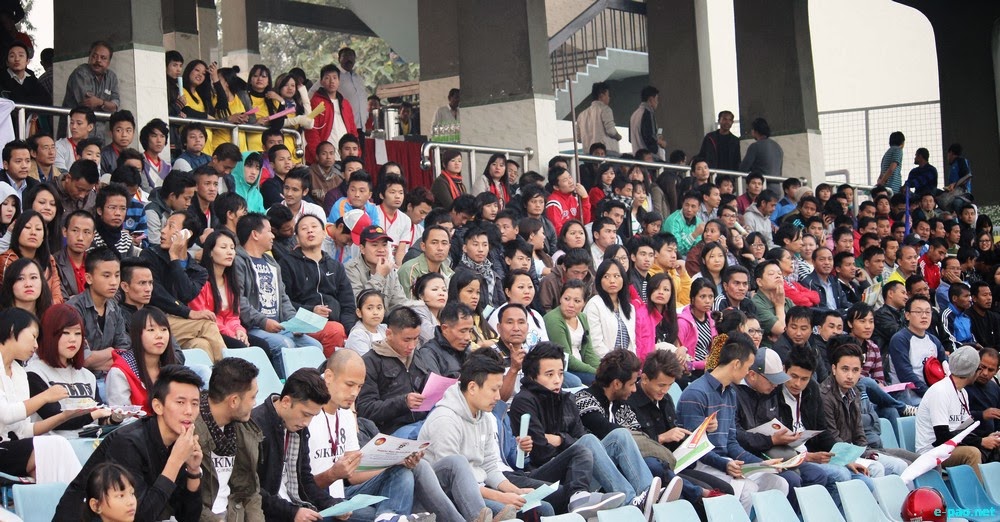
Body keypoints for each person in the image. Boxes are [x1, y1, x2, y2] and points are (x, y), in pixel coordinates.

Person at [510, 343, 664, 515]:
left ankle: (648, 494)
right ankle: (630, 502)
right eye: (549, 374)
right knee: (588, 442)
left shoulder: (566, 399)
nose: (557, 380)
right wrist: (567, 441)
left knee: (619, 435)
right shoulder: (524, 401)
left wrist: (560, 439)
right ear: (533, 376)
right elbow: (541, 452)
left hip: (578, 471)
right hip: (545, 474)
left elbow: (580, 437)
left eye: (560, 374)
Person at [54, 365, 204, 522]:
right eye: (180, 402)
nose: (189, 411)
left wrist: (193, 471)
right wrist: (175, 461)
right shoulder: (128, 442)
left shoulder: (179, 443)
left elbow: (188, 517)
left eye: (195, 404)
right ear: (158, 406)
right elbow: (137, 517)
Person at [312, 350, 444, 522]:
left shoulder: (344, 412)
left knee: (401, 471)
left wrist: (397, 460)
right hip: (316, 501)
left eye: (359, 387)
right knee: (373, 515)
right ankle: (391, 517)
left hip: (341, 497)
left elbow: (353, 475)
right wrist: (332, 474)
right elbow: (298, 484)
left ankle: (388, 516)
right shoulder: (307, 415)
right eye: (349, 384)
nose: (355, 393)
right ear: (328, 376)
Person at [235, 213, 327, 374]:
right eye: (269, 231)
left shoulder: (271, 262)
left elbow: (283, 298)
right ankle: (284, 391)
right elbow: (239, 301)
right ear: (255, 234)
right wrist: (263, 322)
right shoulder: (238, 261)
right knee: (284, 345)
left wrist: (295, 323)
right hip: (253, 327)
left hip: (279, 326)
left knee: (315, 346)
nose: (273, 235)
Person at [139, 211, 226, 360]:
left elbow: (186, 292)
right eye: (164, 226)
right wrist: (187, 312)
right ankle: (232, 375)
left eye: (170, 226)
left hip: (180, 323)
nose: (163, 231)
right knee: (208, 326)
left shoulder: (199, 271)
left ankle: (211, 382)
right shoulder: (150, 255)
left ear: (187, 234)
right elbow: (155, 292)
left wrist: (175, 258)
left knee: (201, 345)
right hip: (154, 319)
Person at [193, 357, 264, 520]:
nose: (255, 403)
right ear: (234, 401)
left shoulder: (244, 429)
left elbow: (251, 494)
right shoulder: (191, 431)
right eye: (252, 397)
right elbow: (186, 503)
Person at [279, 214, 354, 355]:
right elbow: (283, 302)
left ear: (324, 233)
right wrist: (311, 310)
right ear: (297, 237)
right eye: (304, 228)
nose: (310, 231)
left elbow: (348, 304)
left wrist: (352, 330)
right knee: (334, 331)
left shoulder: (335, 266)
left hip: (334, 322)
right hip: (301, 322)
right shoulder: (287, 264)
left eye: (314, 227)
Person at [915, 346, 994, 479]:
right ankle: (975, 498)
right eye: (979, 368)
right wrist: (980, 441)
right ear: (973, 371)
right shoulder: (940, 391)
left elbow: (966, 429)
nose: (981, 373)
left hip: (951, 447)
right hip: (932, 451)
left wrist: (990, 437)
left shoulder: (962, 392)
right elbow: (942, 437)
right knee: (972, 453)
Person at [26, 304, 109, 431]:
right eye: (65, 333)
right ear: (49, 335)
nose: (73, 340)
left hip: (91, 442)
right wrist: (94, 414)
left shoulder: (87, 376)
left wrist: (115, 417)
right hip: (55, 445)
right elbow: (55, 419)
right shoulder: (34, 373)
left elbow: (101, 419)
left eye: (78, 333)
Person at [356, 306, 431, 436]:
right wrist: (403, 402)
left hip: (423, 421)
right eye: (406, 340)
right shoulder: (370, 362)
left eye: (416, 338)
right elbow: (365, 409)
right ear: (389, 334)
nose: (412, 346)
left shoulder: (417, 355)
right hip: (392, 430)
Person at [105, 306, 178, 414]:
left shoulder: (170, 367)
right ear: (137, 335)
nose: (159, 335)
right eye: (151, 330)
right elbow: (122, 421)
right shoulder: (120, 372)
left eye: (164, 329)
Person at [191, 230, 256, 349]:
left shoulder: (230, 281)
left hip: (228, 330)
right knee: (239, 346)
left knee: (262, 345)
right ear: (210, 252)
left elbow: (233, 316)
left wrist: (239, 331)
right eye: (223, 247)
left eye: (232, 248)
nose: (229, 252)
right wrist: (230, 334)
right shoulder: (200, 281)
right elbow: (204, 318)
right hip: (209, 331)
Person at [888, 295, 947, 396]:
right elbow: (905, 374)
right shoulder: (900, 339)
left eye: (928, 312)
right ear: (907, 315)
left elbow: (946, 366)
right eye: (919, 312)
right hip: (906, 395)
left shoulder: (934, 340)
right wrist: (930, 394)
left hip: (933, 393)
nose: (924, 316)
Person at [60, 41, 119, 141]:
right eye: (94, 56)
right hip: (75, 135)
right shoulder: (81, 73)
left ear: (108, 62)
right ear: (89, 57)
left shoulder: (111, 77)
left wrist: (100, 102)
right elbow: (88, 105)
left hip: (99, 136)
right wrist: (106, 105)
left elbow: (115, 106)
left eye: (103, 58)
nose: (98, 61)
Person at [345, 222, 407, 310]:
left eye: (384, 245)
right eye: (374, 245)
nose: (381, 250)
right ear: (362, 249)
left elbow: (400, 303)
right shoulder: (351, 269)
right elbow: (360, 303)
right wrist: (380, 276)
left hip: (386, 320)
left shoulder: (389, 269)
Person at [305, 64, 357, 164]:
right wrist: (318, 154)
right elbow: (312, 131)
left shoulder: (345, 103)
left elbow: (353, 131)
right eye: (327, 78)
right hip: (326, 158)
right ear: (321, 81)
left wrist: (356, 152)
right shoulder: (316, 102)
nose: (331, 81)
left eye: (335, 78)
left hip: (345, 157)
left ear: (339, 81)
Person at [584, 258, 635, 357]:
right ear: (599, 280)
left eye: (617, 276)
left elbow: (632, 343)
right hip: (604, 363)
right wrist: (614, 363)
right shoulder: (594, 304)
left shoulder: (630, 308)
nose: (612, 281)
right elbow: (596, 344)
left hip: (627, 364)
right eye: (606, 276)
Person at [90, 183, 141, 258]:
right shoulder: (90, 236)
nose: (118, 213)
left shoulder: (126, 239)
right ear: (100, 210)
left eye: (123, 208)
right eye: (112, 207)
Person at [578, 82, 621, 154]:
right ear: (602, 95)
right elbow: (611, 131)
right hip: (606, 151)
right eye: (608, 95)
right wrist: (618, 136)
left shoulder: (581, 115)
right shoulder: (605, 109)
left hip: (588, 152)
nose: (609, 98)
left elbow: (579, 138)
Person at [345, 289, 386, 356]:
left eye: (379, 308)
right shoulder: (357, 335)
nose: (375, 312)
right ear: (359, 312)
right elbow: (368, 363)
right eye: (369, 308)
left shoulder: (385, 329)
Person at [629, 86, 666, 155]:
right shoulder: (648, 113)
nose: (657, 102)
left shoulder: (634, 115)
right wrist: (660, 142)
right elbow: (650, 137)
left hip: (636, 154)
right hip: (648, 156)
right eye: (657, 99)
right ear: (651, 100)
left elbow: (630, 139)